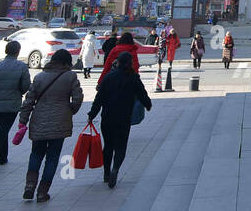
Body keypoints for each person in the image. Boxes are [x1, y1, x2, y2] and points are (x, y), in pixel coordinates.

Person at [17, 48, 83, 202]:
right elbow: (77, 98)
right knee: (52, 158)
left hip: (38, 120)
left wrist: (23, 120)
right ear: (67, 62)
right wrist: (70, 110)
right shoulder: (70, 76)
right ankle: (42, 192)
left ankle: (29, 186)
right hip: (60, 121)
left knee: (36, 154)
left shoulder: (40, 77)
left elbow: (29, 101)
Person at [86, 51, 152, 188]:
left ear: (118, 63)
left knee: (108, 145)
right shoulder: (133, 78)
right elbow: (142, 94)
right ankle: (115, 169)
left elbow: (99, 98)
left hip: (107, 118)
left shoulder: (108, 77)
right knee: (121, 146)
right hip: (124, 118)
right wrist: (148, 104)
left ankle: (106, 173)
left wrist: (92, 114)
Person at [0, 40, 30, 172]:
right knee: (3, 131)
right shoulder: (21, 67)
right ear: (18, 51)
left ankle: (2, 157)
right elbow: (26, 86)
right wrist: (18, 91)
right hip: (13, 104)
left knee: (2, 129)